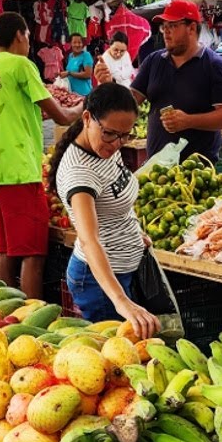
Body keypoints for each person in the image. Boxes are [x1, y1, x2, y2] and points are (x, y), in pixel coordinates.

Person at [0, 12, 81, 299]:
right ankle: (32, 318)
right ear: (20, 35)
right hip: (22, 172)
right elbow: (61, 117)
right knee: (33, 253)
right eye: (29, 37)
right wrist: (86, 109)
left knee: (6, 250)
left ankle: (4, 310)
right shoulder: (21, 65)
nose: (29, 44)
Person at [49, 83, 159, 337]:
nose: (117, 143)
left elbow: (114, 200)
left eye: (125, 135)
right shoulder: (80, 173)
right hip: (99, 283)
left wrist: (132, 232)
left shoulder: (106, 147)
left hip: (124, 270)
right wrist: (121, 301)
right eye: (110, 133)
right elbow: (89, 240)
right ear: (87, 118)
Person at [118, 0, 222, 162]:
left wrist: (189, 121)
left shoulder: (215, 65)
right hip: (157, 166)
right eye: (164, 26)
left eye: (172, 26)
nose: (165, 32)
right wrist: (110, 86)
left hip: (198, 169)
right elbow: (132, 100)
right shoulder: (153, 61)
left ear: (191, 28)